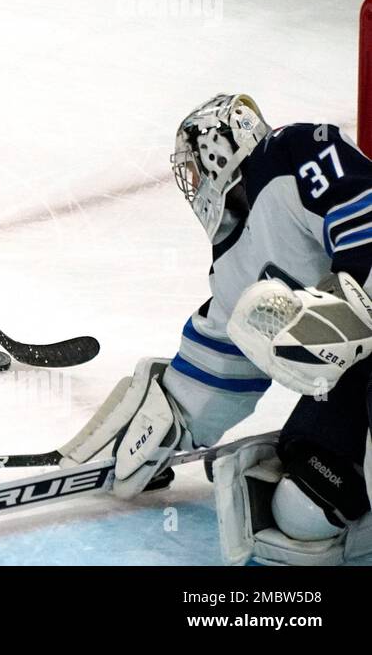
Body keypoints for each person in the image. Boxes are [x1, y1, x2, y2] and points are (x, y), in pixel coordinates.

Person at [58, 94, 372, 565]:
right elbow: (218, 369)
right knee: (300, 511)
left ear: (217, 149)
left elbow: (363, 215)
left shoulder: (294, 154)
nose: (194, 182)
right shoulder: (232, 268)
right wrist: (159, 433)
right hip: (357, 382)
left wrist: (346, 303)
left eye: (194, 168)